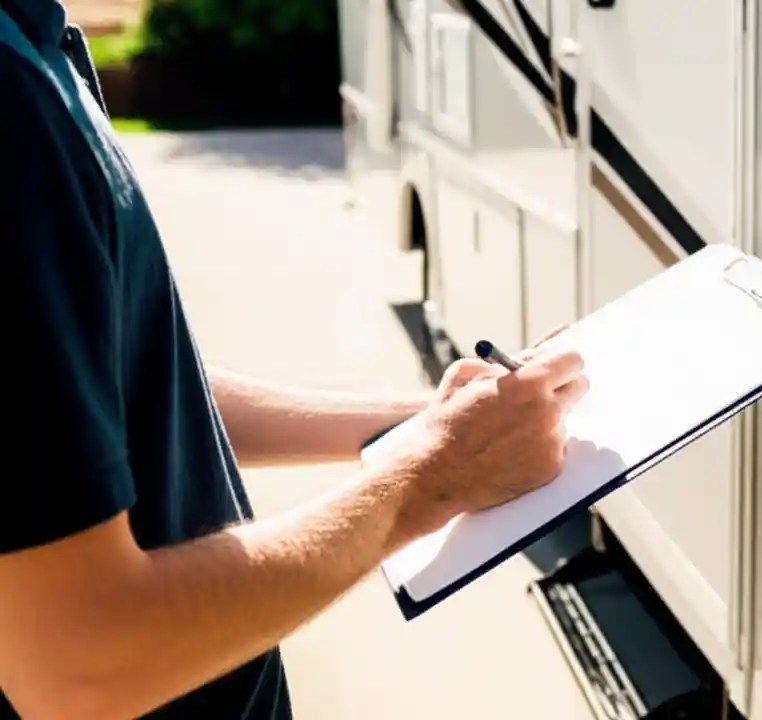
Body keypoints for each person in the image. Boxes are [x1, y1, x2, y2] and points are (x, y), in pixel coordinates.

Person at [0, 0, 589, 717]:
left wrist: (432, 421)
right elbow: (79, 664)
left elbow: (115, 388)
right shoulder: (11, 103)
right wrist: (431, 475)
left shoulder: (30, 44)